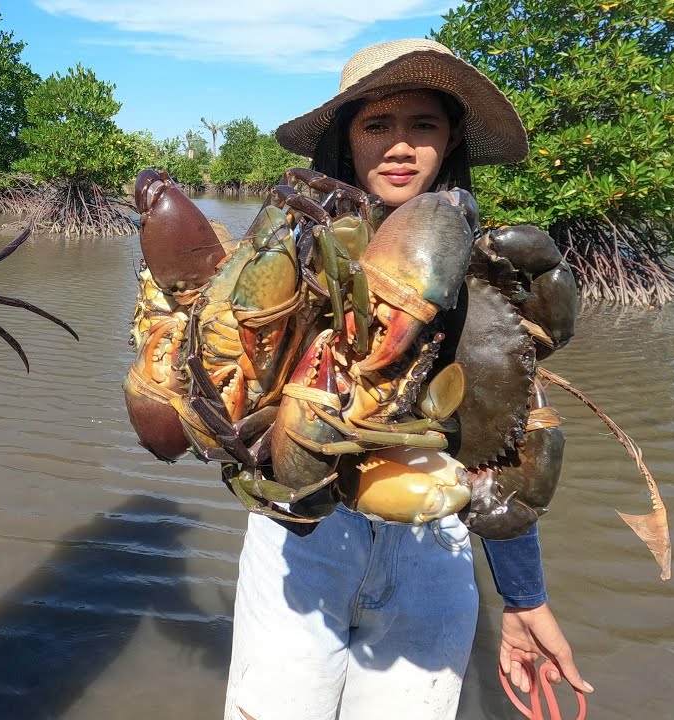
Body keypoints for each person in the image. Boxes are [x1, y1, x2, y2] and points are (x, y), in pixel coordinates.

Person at [223, 40, 593, 719]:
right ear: (346, 139)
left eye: (423, 125)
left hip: (434, 545)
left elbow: (509, 436)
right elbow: (230, 396)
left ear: (449, 140)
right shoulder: (289, 250)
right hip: (303, 543)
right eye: (377, 125)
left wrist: (524, 597)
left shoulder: (485, 273)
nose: (400, 146)